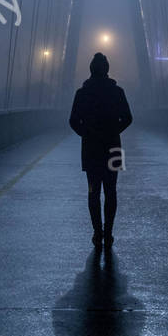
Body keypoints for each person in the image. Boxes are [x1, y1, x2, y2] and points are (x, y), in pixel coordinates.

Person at [68, 52, 133, 249]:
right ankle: (109, 233)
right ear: (107, 69)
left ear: (91, 69)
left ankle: (97, 233)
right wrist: (114, 131)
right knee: (111, 190)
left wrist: (86, 134)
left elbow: (73, 121)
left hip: (91, 149)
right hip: (113, 146)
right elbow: (128, 118)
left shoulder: (82, 93)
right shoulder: (117, 92)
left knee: (93, 191)